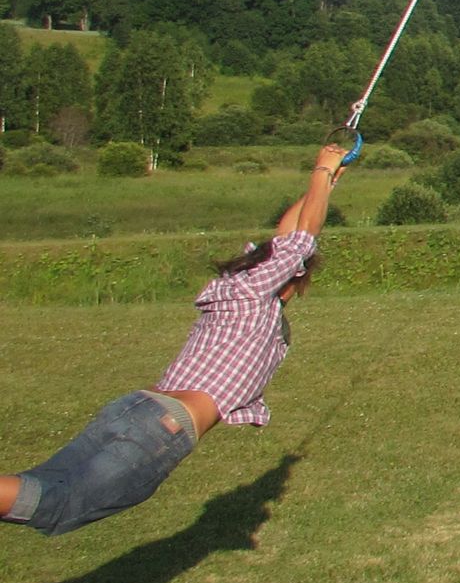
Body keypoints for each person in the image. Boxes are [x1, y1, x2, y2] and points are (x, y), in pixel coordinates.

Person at [2, 140, 351, 537]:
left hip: (134, 409)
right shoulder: (257, 294)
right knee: (58, 504)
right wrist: (322, 170)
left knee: (38, 487)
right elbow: (301, 238)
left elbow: (285, 237)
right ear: (290, 278)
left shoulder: (238, 287)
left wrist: (325, 186)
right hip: (162, 428)